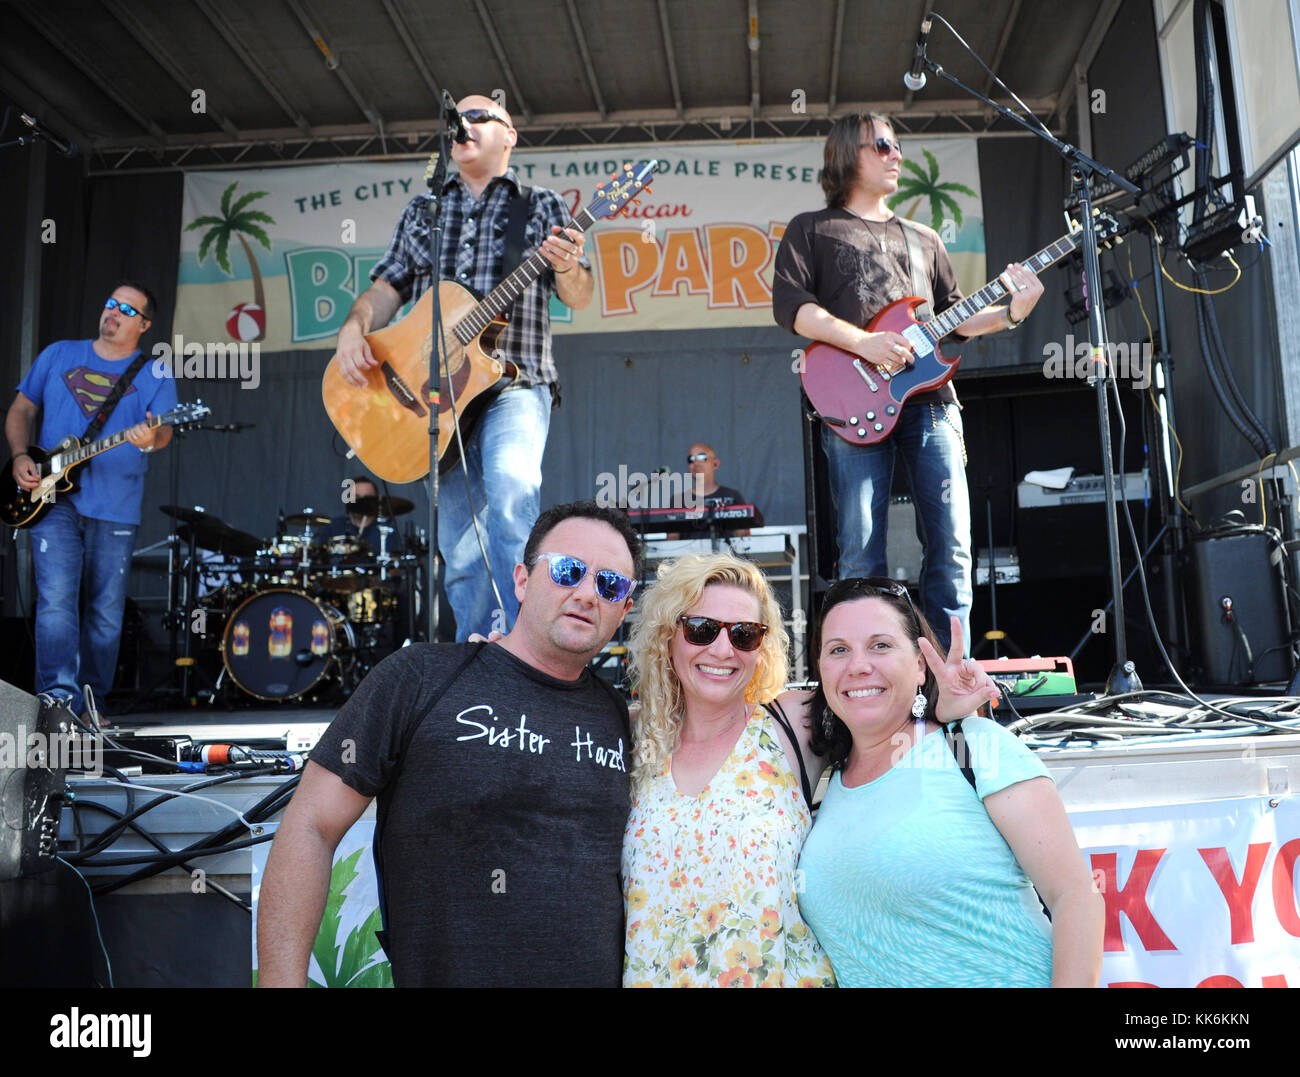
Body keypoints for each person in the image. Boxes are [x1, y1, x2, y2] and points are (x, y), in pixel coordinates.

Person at [256, 500, 641, 988]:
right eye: (568, 571)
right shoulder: (420, 677)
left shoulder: (620, 718)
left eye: (610, 584)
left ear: (625, 608)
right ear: (522, 580)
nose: (587, 594)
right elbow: (310, 825)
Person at [772, 113, 1044, 655]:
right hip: (853, 402)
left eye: (898, 146)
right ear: (850, 153)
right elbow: (795, 310)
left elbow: (955, 318)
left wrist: (1014, 311)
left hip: (932, 403)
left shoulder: (922, 237)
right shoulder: (812, 229)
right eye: (883, 146)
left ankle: (950, 672)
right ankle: (864, 672)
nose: (897, 155)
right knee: (860, 549)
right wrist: (865, 344)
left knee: (952, 544)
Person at [329, 93, 594, 640]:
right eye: (457, 118)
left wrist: (568, 266)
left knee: (513, 500)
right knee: (459, 546)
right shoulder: (425, 209)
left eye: (478, 116)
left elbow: (580, 294)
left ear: (509, 135)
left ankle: (527, 650)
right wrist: (353, 328)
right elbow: (387, 287)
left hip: (515, 382)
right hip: (430, 398)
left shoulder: (540, 204)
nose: (463, 125)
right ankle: (475, 657)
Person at [793, 576, 1104, 988]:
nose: (858, 665)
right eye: (838, 650)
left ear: (920, 665)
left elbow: (1076, 898)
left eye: (881, 645)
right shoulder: (821, 784)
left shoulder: (973, 748)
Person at [622, 553, 835, 987]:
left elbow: (882, 706)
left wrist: (944, 703)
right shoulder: (630, 735)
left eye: (744, 634)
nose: (722, 650)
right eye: (701, 629)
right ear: (668, 636)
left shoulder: (788, 723)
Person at [6, 283, 176, 706]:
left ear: (144, 324)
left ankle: (92, 705)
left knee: (105, 614)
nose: (112, 312)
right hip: (53, 499)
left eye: (125, 309)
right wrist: (18, 455)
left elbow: (165, 431)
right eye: (110, 303)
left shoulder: (153, 372)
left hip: (116, 505)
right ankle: (58, 701)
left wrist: (149, 439)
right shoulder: (59, 354)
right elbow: (22, 409)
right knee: (56, 602)